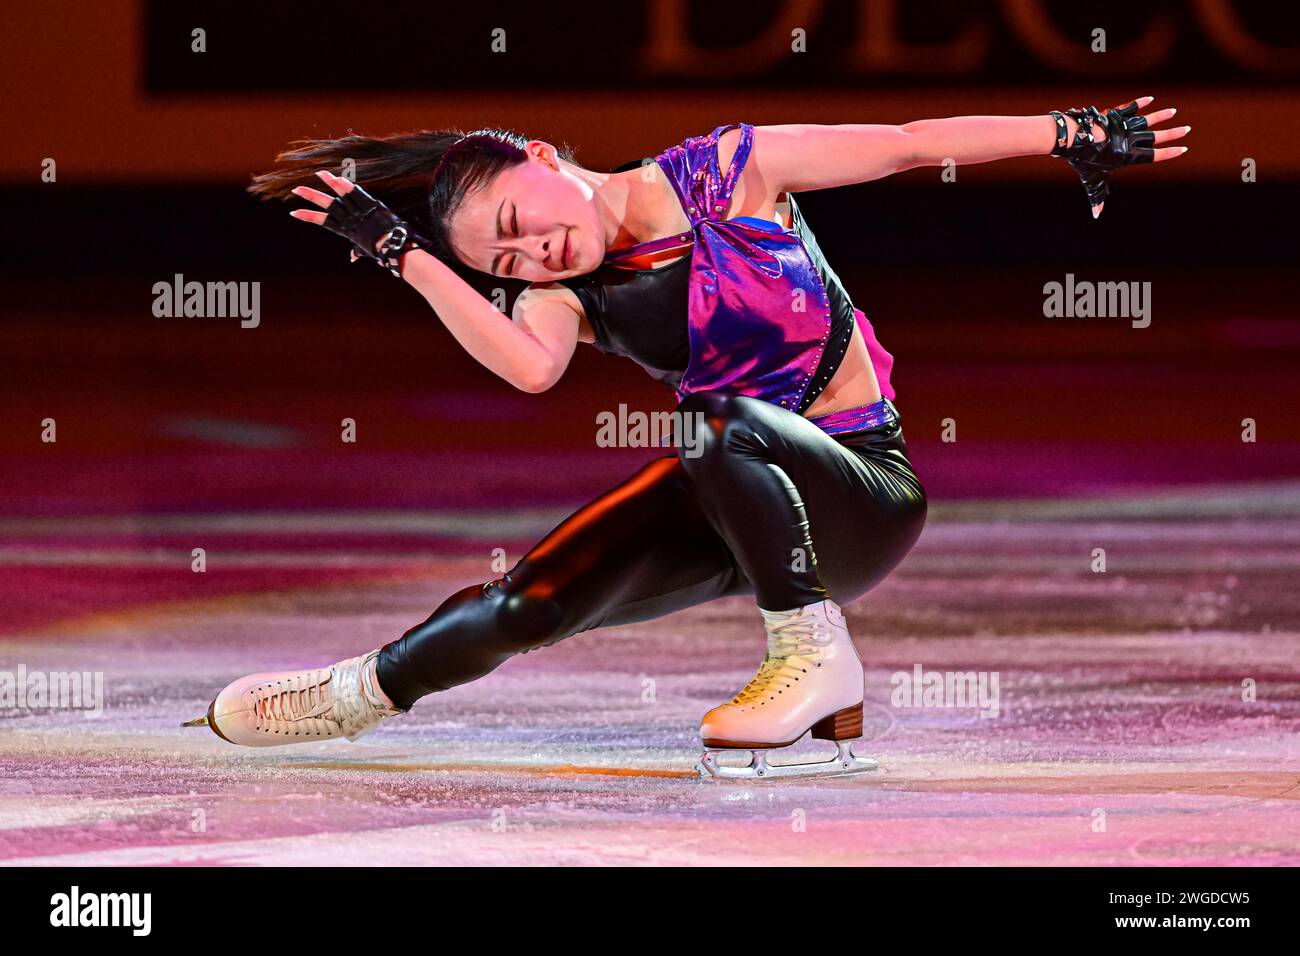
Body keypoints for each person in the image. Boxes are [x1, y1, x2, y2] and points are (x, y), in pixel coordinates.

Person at [185, 101, 1188, 778]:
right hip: (732, 491)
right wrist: (405, 258)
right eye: (507, 259)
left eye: (517, 222)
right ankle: (356, 694)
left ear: (541, 159)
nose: (532, 252)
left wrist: (1066, 130)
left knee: (714, 424)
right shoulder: (562, 294)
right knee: (525, 599)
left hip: (860, 490)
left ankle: (811, 651)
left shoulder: (729, 170)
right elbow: (530, 368)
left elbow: (910, 140)